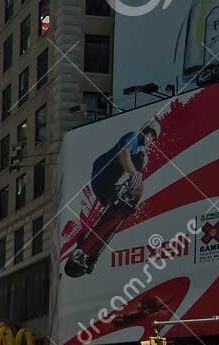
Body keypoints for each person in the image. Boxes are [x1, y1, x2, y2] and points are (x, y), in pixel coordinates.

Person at [63, 119, 159, 279]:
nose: (151, 140)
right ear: (145, 130)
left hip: (108, 186)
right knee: (138, 163)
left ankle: (90, 250)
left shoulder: (141, 151)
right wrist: (134, 173)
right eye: (151, 135)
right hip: (102, 175)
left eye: (154, 139)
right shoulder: (133, 136)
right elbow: (123, 154)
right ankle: (126, 193)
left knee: (111, 221)